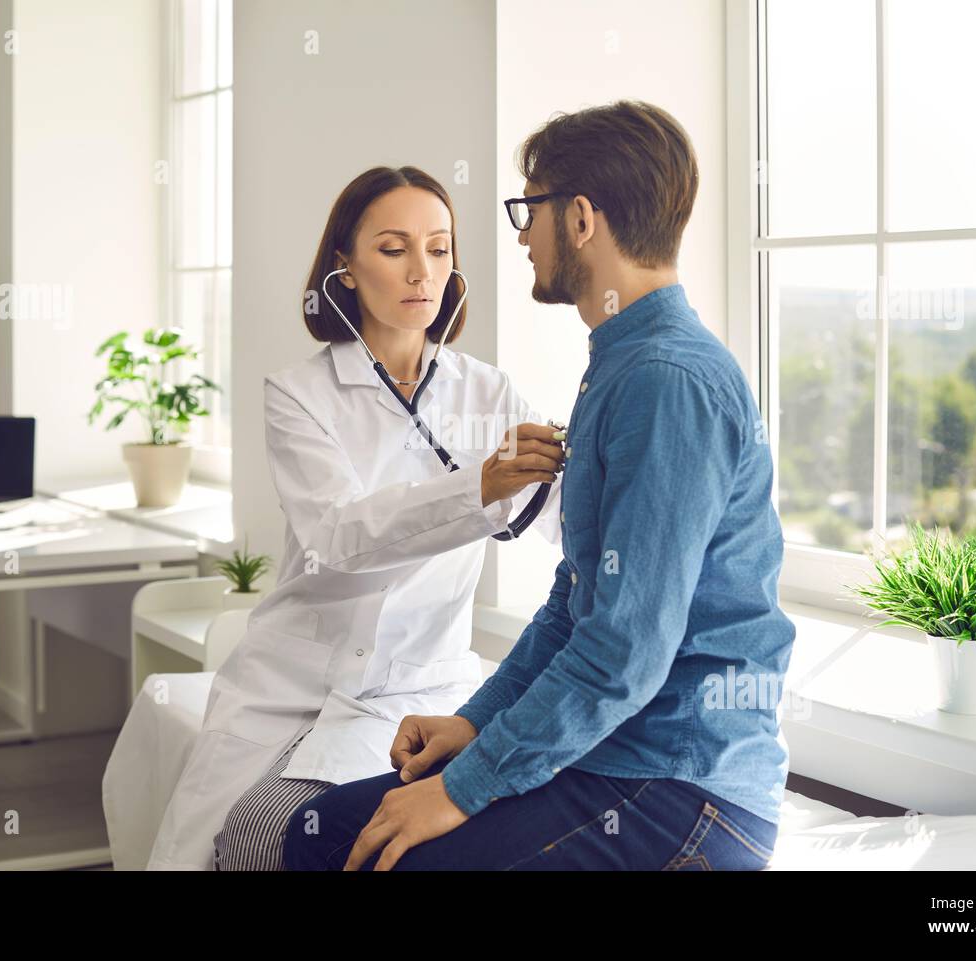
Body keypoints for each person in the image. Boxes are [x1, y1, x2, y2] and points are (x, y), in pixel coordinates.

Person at [282, 101, 797, 871]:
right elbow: (575, 601)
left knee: (369, 855)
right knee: (318, 829)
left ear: (581, 218)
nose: (521, 235)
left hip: (682, 789)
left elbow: (624, 653)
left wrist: (464, 789)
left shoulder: (664, 381)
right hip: (617, 757)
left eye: (532, 209)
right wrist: (478, 723)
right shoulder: (618, 363)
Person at [139, 166, 565, 871]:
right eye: (394, 249)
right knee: (199, 847)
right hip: (290, 678)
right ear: (344, 266)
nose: (421, 271)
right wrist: (477, 486)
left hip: (420, 685)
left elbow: (562, 525)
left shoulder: (490, 391)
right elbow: (340, 536)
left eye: (439, 248)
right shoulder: (299, 394)